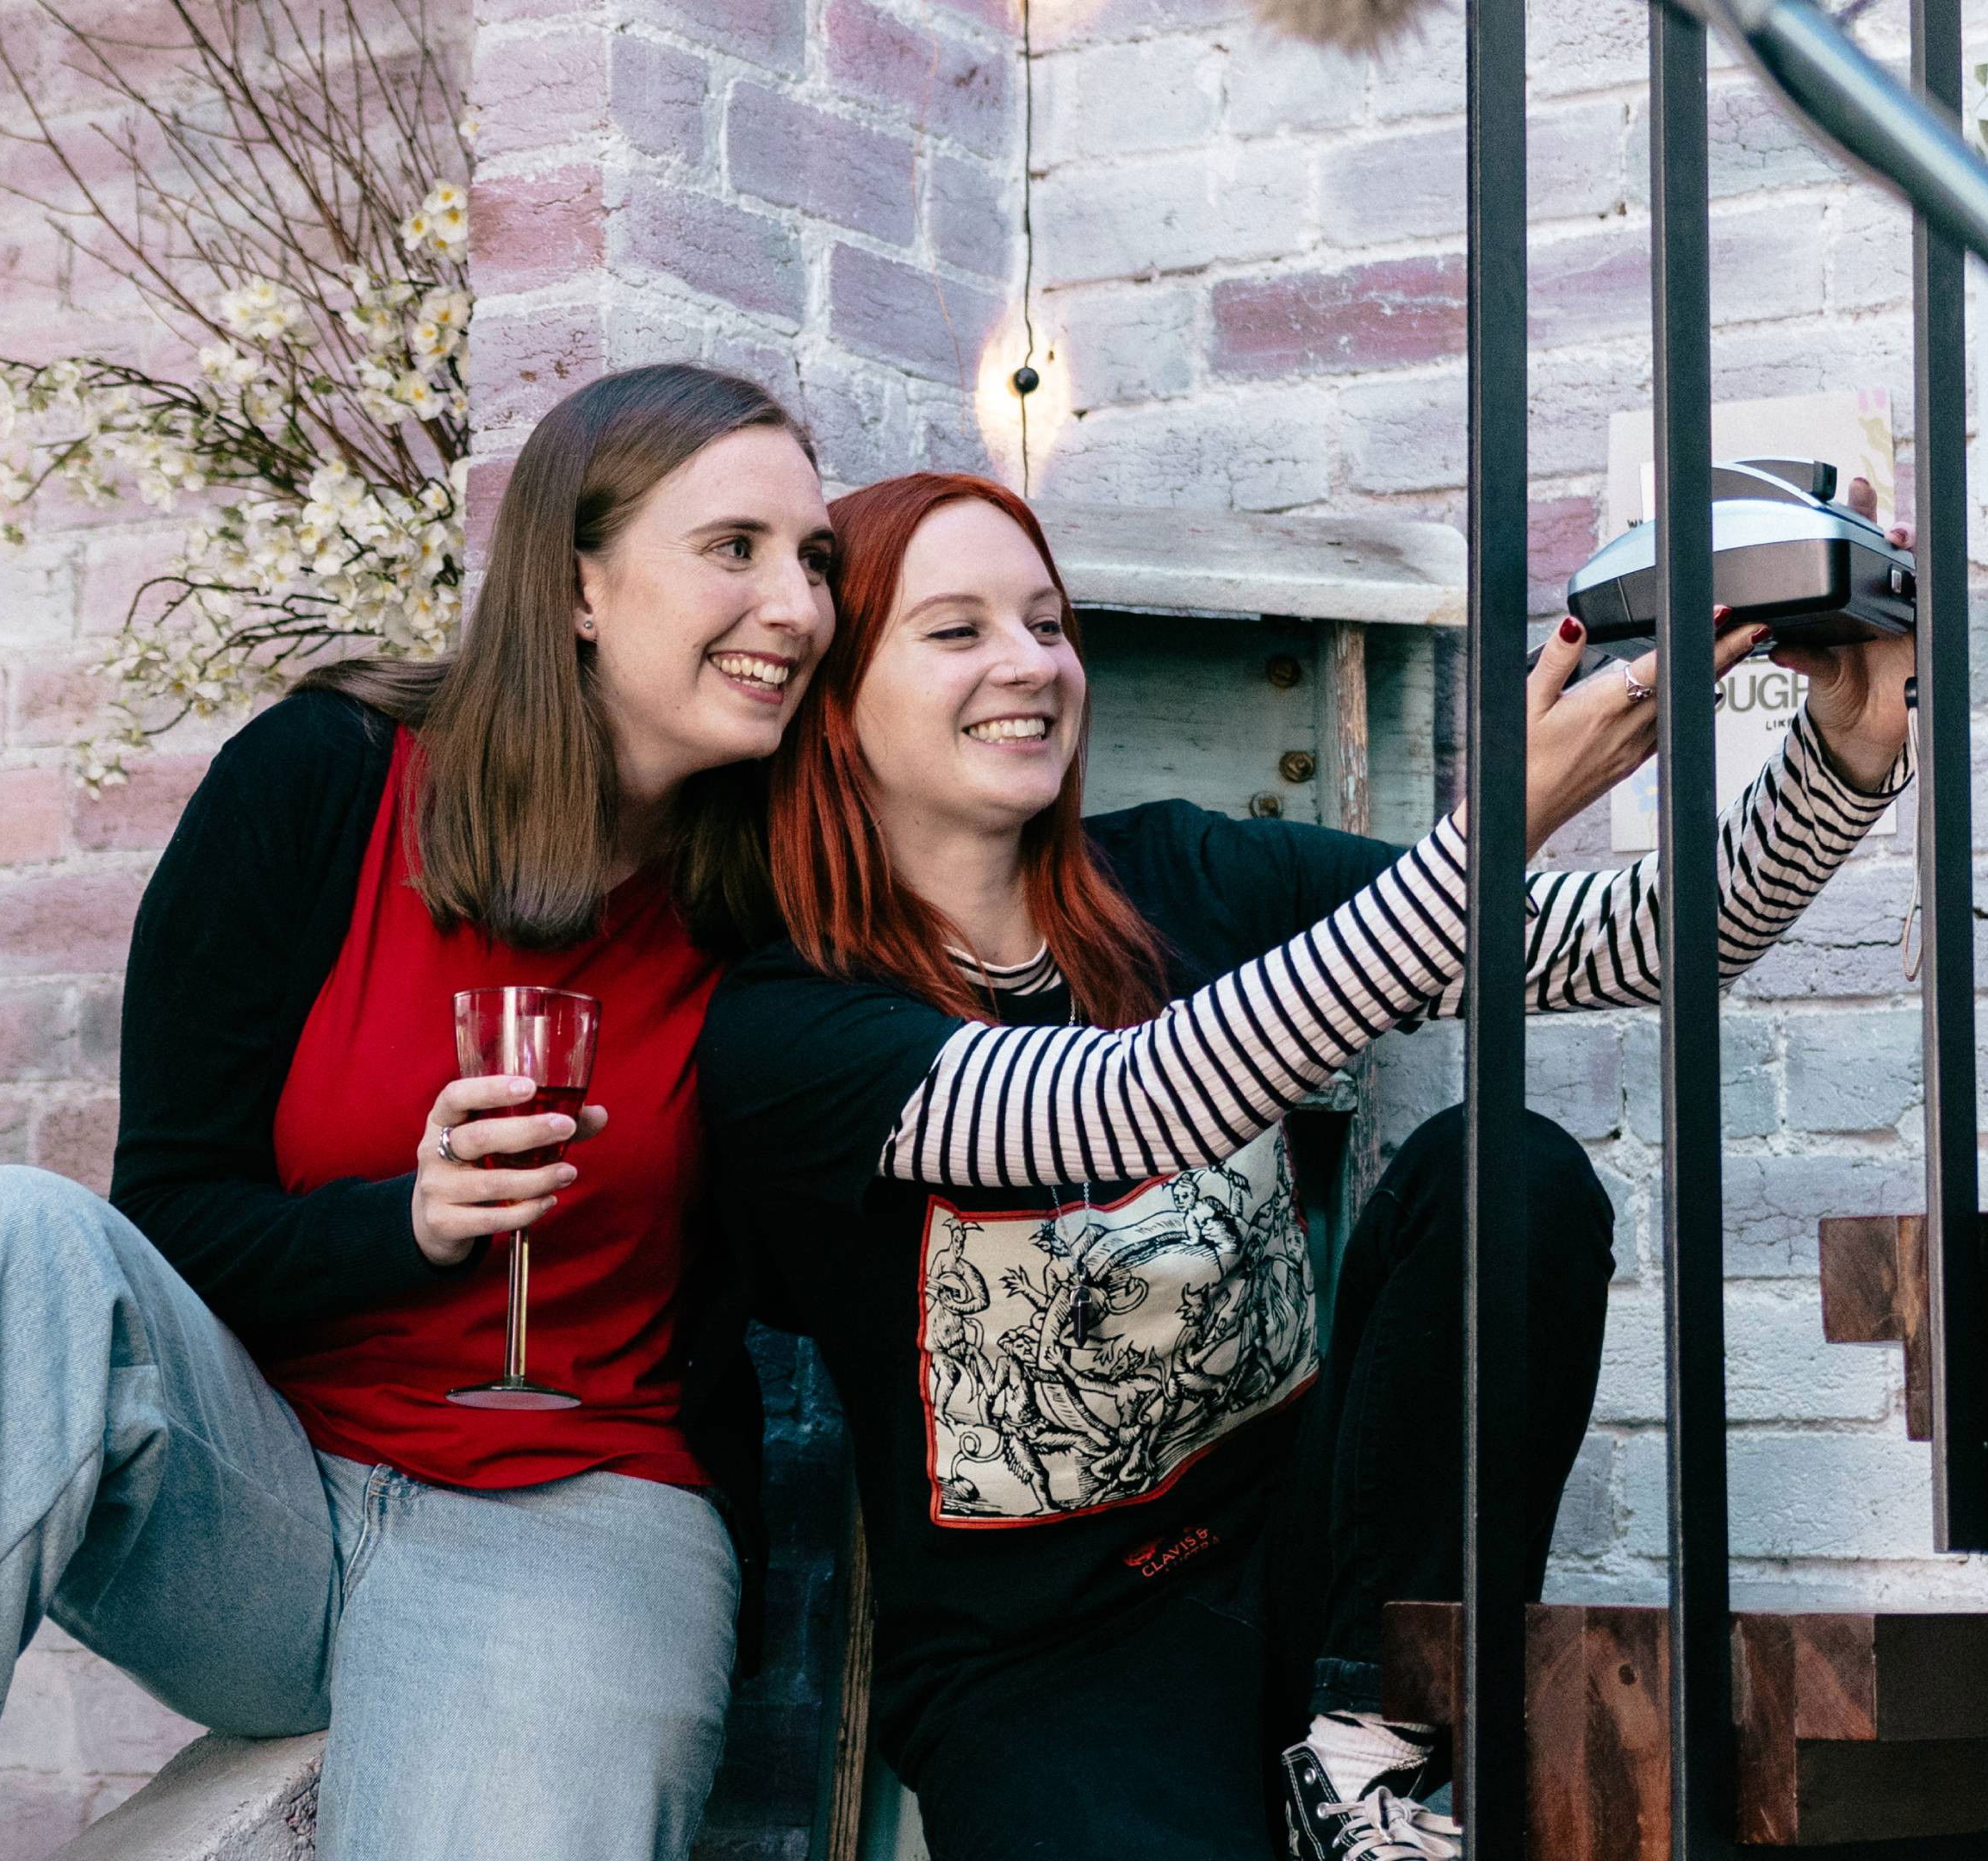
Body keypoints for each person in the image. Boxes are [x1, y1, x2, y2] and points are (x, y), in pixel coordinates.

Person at [0, 364, 838, 1861]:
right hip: (262, 1504)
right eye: (736, 548)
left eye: (815, 560)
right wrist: (409, 1228)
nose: (798, 605)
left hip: (579, 1523)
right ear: (578, 585)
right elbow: (172, 1218)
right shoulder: (323, 784)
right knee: (3, 1236)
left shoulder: (773, 908)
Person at [698, 473, 1916, 1861]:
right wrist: (1488, 835)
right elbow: (1125, 1105)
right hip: (1045, 1672)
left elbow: (1634, 941)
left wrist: (1845, 751)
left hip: (1315, 1572)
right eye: (957, 631)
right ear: (837, 705)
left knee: (1503, 1172)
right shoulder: (790, 1029)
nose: (1030, 663)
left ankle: (1370, 1755)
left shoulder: (1184, 875)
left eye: (1046, 622)